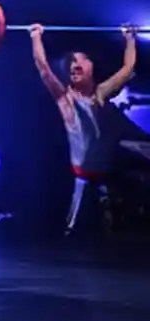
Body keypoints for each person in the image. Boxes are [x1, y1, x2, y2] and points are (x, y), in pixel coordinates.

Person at [30, 24, 145, 235]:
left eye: (81, 59)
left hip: (107, 167)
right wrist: (36, 36)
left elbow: (127, 68)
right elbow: (44, 70)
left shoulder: (100, 93)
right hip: (83, 172)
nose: (75, 63)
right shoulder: (65, 98)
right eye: (72, 61)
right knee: (73, 229)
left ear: (92, 66)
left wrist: (130, 39)